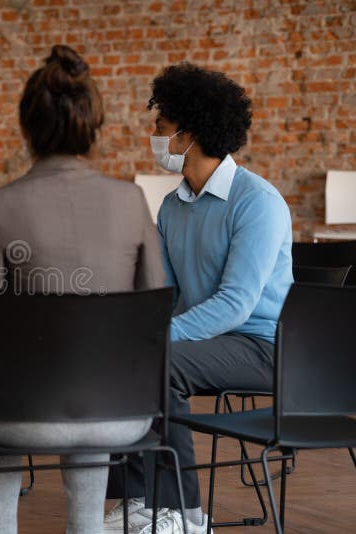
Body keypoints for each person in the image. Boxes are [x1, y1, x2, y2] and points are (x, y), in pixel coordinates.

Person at [0, 44, 164, 534]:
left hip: (17, 417)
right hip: (122, 413)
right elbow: (153, 308)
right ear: (93, 126)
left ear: (27, 126)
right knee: (91, 382)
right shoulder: (132, 199)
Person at [104, 63, 293, 534]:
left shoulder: (258, 202)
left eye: (161, 127)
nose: (154, 136)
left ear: (189, 133)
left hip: (262, 344)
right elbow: (167, 293)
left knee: (160, 360)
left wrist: (157, 337)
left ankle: (183, 512)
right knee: (119, 357)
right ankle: (135, 503)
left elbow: (237, 303)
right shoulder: (173, 205)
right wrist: (133, 330)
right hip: (208, 342)